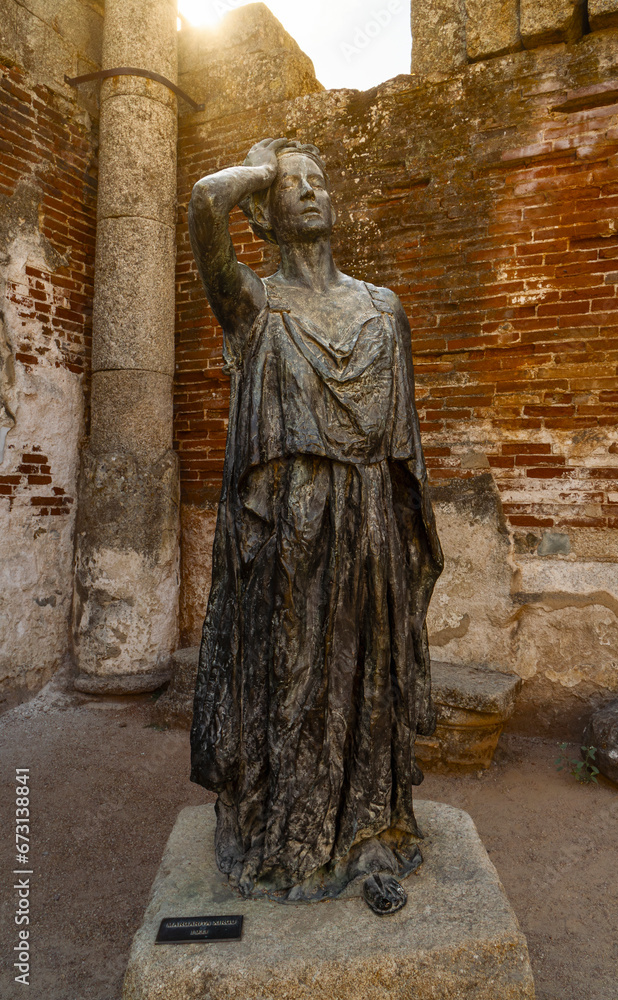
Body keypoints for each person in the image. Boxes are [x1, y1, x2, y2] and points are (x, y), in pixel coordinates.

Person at [188, 138, 443, 914]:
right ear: (263, 213)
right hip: (286, 532)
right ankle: (286, 837)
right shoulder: (254, 304)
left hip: (365, 523)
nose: (308, 191)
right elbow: (204, 202)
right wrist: (259, 169)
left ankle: (369, 829)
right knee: (291, 681)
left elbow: (404, 451)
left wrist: (405, 537)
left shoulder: (381, 307)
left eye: (318, 181)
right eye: (290, 185)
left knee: (364, 680)